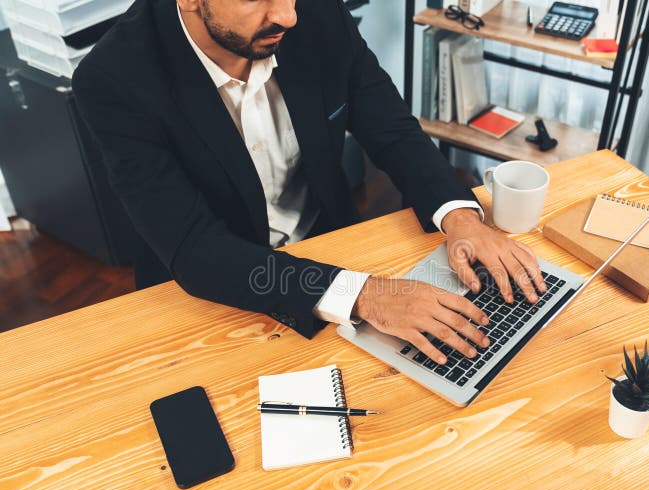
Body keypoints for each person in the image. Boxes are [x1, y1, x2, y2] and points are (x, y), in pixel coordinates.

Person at [73, 0, 546, 365]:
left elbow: (392, 130)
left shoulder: (316, 14)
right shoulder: (114, 80)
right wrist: (367, 295)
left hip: (331, 248)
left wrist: (460, 217)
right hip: (214, 293)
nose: (287, 15)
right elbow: (197, 251)